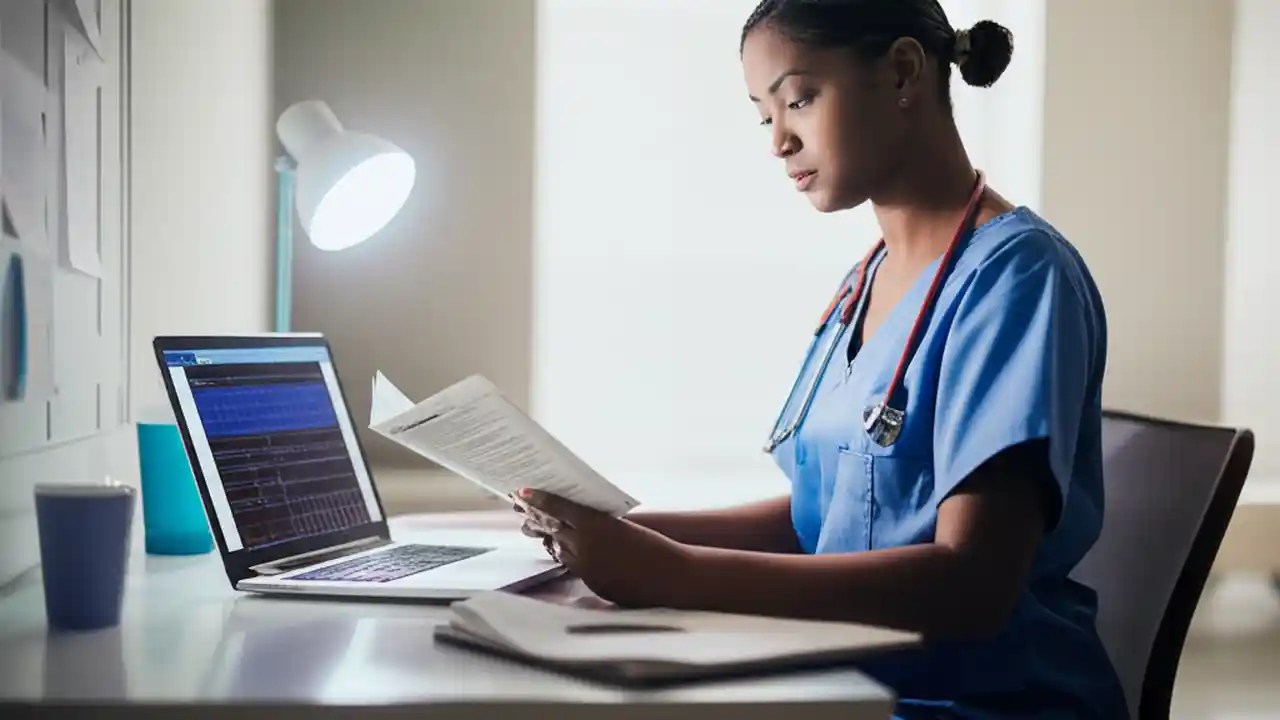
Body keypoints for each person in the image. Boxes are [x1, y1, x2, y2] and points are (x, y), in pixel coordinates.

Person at [515, 1, 1127, 717]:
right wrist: (622, 533)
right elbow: (826, 519)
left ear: (903, 72)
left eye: (799, 99)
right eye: (762, 116)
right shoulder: (867, 281)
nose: (778, 140)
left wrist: (672, 572)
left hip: (973, 704)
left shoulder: (1017, 278)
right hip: (838, 685)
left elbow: (973, 587)